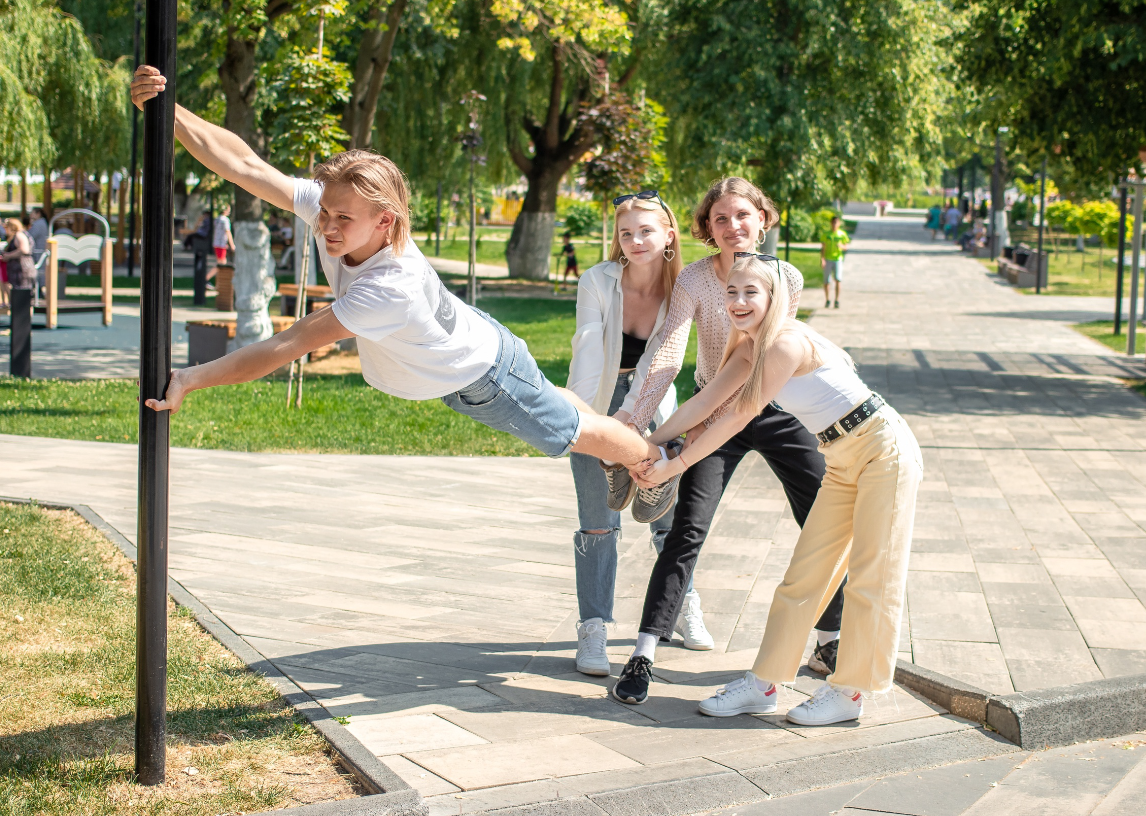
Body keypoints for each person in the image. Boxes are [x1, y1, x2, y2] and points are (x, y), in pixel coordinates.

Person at [130, 66, 665, 479]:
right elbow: (246, 167)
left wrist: (192, 379)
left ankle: (655, 465)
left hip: (484, 377)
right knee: (563, 404)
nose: (327, 227)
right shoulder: (337, 206)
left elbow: (286, 345)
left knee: (580, 432)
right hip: (476, 342)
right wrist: (169, 110)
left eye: (343, 220)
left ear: (385, 220)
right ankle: (644, 453)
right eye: (324, 213)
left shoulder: (389, 288)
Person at [638, 254, 922, 726]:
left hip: (882, 450)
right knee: (803, 576)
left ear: (775, 298)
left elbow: (738, 414)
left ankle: (849, 693)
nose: (739, 301)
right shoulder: (751, 346)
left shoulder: (786, 343)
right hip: (841, 457)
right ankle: (764, 683)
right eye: (732, 292)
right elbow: (706, 401)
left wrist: (678, 464)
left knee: (872, 576)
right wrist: (649, 444)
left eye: (752, 292)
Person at [607, 178, 847, 706]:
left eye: (743, 215)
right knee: (687, 530)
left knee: (823, 523)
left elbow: (768, 356)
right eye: (720, 219)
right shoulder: (693, 280)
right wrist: (637, 419)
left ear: (763, 218)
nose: (733, 227)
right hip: (713, 412)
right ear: (706, 229)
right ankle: (644, 651)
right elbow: (669, 353)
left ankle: (830, 641)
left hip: (779, 411)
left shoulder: (785, 276)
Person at [567, 190, 715, 676]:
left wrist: (633, 421)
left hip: (656, 405)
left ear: (669, 234)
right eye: (625, 233)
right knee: (598, 520)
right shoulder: (596, 281)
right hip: (598, 398)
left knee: (667, 520)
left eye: (646, 230)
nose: (634, 241)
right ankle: (593, 628)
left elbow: (663, 363)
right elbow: (588, 350)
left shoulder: (683, 289)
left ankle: (681, 606)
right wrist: (587, 422)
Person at [820, 215, 849, 309]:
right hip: (828, 259)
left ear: (839, 223)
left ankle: (837, 300)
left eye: (836, 222)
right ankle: (827, 299)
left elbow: (846, 246)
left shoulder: (842, 234)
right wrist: (822, 259)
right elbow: (823, 248)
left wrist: (842, 246)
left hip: (838, 259)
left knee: (838, 279)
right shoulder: (826, 235)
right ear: (831, 223)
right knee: (826, 281)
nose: (834, 224)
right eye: (833, 222)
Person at [2, 218, 37, 292]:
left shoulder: (19, 234)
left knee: (21, 293)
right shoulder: (19, 234)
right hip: (19, 270)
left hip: (22, 270)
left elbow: (24, 250)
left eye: (6, 227)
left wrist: (9, 255)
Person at [209, 203, 234, 289]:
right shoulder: (225, 220)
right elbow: (228, 232)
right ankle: (206, 278)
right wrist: (232, 245)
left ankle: (218, 284)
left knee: (222, 263)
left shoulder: (217, 219)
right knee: (221, 264)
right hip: (221, 244)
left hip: (217, 243)